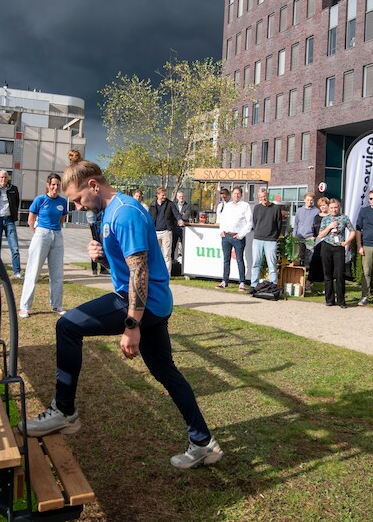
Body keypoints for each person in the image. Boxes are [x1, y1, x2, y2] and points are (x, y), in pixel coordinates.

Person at [19, 158, 222, 469]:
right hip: (151, 303)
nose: (77, 206)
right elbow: (128, 267)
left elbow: (140, 272)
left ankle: (64, 411)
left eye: (78, 199)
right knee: (166, 373)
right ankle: (204, 442)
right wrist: (102, 258)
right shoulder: (113, 211)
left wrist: (131, 324)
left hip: (142, 303)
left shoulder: (125, 212)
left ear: (93, 186)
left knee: (68, 326)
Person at [18, 173, 69, 318]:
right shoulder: (40, 200)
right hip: (42, 234)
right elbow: (31, 220)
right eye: (53, 184)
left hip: (57, 236)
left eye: (58, 185)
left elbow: (62, 219)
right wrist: (39, 234)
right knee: (33, 271)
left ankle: (57, 305)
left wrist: (55, 231)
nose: (55, 187)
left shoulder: (63, 202)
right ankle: (24, 307)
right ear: (48, 185)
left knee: (57, 274)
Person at [317, 198, 354, 307]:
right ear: (329, 208)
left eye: (336, 207)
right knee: (327, 274)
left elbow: (352, 231)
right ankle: (329, 299)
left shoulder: (344, 218)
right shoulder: (326, 219)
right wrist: (329, 227)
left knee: (339, 274)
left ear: (339, 207)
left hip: (339, 248)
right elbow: (320, 235)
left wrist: (347, 242)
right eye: (332, 208)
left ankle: (341, 301)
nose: (334, 210)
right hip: (327, 246)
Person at [215, 187, 252, 291]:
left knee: (239, 260)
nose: (236, 195)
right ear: (232, 194)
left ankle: (242, 282)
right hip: (226, 236)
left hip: (238, 237)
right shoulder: (227, 205)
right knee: (226, 260)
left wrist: (241, 234)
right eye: (235, 193)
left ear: (241, 195)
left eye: (238, 193)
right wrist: (221, 230)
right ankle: (224, 281)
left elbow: (249, 222)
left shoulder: (245, 206)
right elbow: (222, 219)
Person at [250, 189, 283, 288]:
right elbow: (254, 222)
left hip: (271, 240)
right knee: (256, 263)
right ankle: (253, 285)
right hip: (258, 239)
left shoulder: (276, 208)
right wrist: (258, 232)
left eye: (264, 196)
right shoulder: (257, 208)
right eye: (261, 197)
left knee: (272, 264)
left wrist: (274, 236)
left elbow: (279, 224)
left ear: (268, 195)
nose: (263, 198)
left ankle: (273, 285)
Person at [148, 187, 183, 269]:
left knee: (167, 255)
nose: (164, 197)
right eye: (162, 195)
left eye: (165, 195)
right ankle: (155, 272)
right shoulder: (152, 205)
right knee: (154, 254)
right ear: (158, 195)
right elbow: (149, 218)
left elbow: (176, 213)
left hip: (166, 232)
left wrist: (180, 219)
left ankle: (167, 274)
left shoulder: (170, 204)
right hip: (155, 232)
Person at [293, 193, 320, 291]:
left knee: (310, 260)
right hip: (299, 237)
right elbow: (296, 223)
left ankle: (309, 282)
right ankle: (299, 281)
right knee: (300, 259)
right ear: (304, 200)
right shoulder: (299, 210)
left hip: (310, 238)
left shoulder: (317, 211)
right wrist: (294, 236)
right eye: (308, 200)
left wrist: (315, 236)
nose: (309, 202)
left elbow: (317, 225)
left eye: (311, 200)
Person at [306, 197, 330, 292]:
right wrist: (313, 236)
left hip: (328, 241)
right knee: (314, 262)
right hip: (318, 241)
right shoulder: (316, 217)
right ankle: (309, 283)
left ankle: (326, 286)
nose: (322, 207)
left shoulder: (331, 217)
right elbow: (314, 229)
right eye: (321, 206)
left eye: (324, 205)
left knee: (326, 263)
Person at [171, 190, 195, 268]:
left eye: (182, 196)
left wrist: (178, 216)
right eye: (180, 196)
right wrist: (181, 215)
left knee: (184, 247)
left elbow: (186, 216)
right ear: (177, 197)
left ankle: (185, 265)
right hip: (174, 228)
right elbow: (172, 216)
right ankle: (172, 263)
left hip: (183, 229)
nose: (181, 198)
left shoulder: (188, 206)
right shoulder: (173, 205)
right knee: (172, 247)